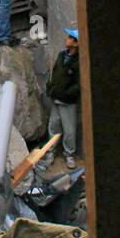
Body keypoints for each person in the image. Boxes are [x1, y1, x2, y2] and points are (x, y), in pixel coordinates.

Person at [44, 28, 80, 169]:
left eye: (70, 38)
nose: (67, 39)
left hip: (67, 102)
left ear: (76, 43)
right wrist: (50, 87)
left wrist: (67, 93)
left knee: (69, 130)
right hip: (55, 99)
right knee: (53, 127)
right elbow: (53, 73)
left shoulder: (78, 62)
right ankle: (50, 152)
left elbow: (79, 84)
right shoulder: (61, 55)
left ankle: (69, 155)